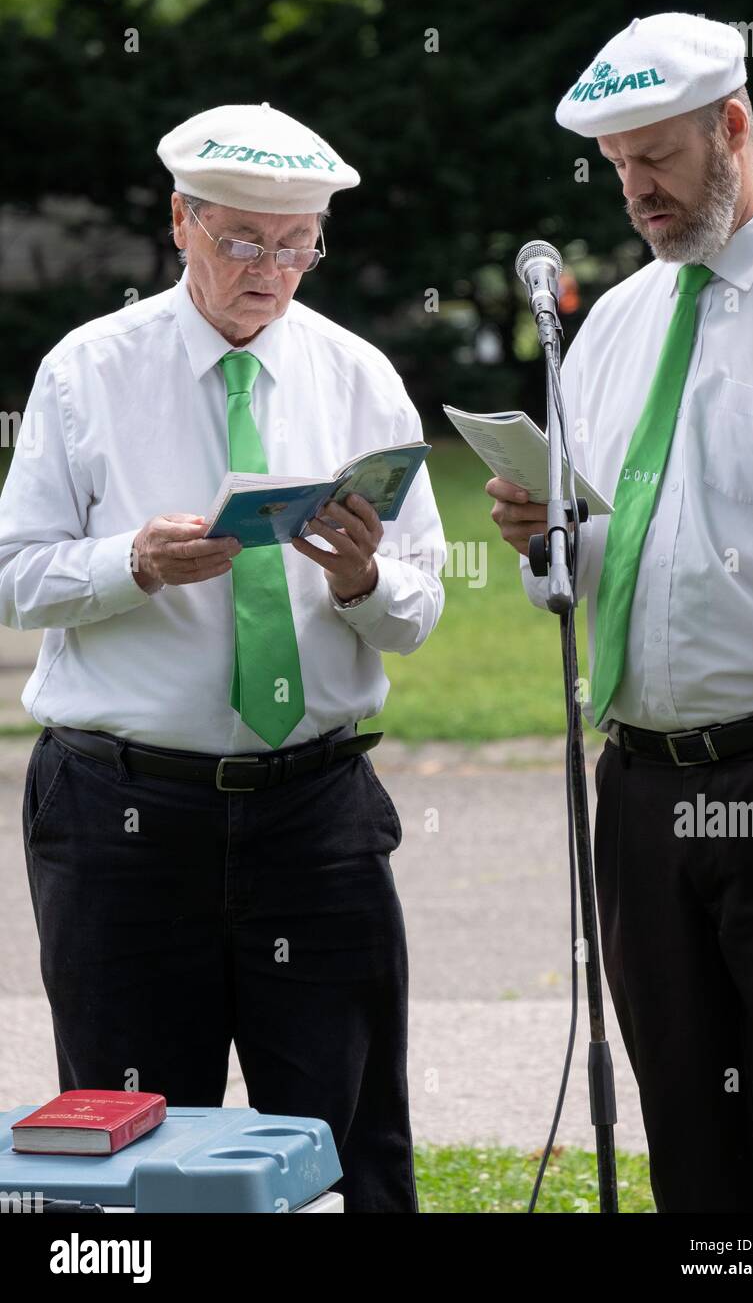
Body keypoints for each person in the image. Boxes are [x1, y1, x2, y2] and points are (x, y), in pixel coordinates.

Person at [0, 101, 446, 1213]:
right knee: (122, 1146)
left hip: (316, 812)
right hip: (124, 815)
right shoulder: (88, 370)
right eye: (243, 240)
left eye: (297, 244)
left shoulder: (357, 376)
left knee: (349, 1140)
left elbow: (419, 607)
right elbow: (14, 573)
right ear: (180, 224)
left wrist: (358, 578)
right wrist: (128, 565)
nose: (271, 269)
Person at [487, 13, 753, 1213]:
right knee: (693, 1152)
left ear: (733, 126)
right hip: (643, 788)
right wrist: (548, 540)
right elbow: (608, 557)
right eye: (614, 169)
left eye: (656, 158)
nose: (636, 192)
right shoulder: (616, 325)